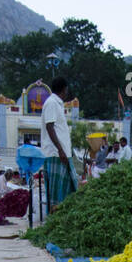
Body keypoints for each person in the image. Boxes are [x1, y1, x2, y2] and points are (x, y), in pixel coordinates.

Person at [41, 76, 76, 206]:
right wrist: (60, 150)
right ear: (63, 89)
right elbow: (49, 126)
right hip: (55, 154)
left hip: (63, 154)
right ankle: (53, 220)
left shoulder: (57, 104)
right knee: (56, 194)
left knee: (67, 190)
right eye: (66, 89)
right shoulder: (51, 103)